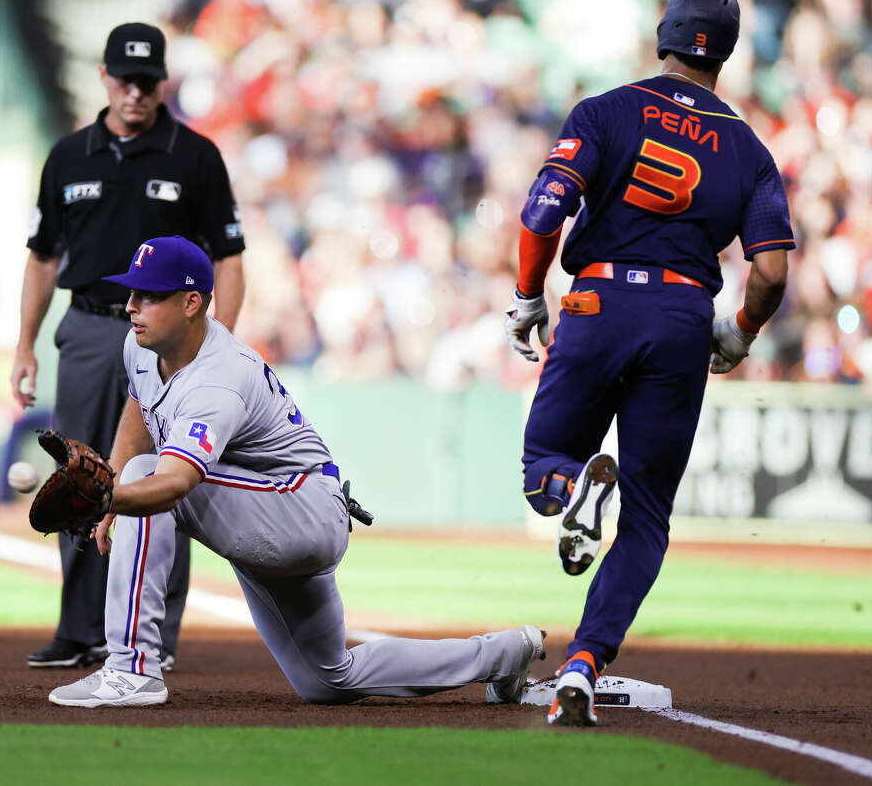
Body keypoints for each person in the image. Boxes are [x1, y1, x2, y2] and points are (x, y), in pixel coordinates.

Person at [48, 235, 545, 707]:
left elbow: (176, 484)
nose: (131, 305)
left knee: (147, 474)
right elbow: (142, 406)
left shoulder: (217, 380)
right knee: (327, 678)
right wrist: (113, 484)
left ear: (191, 303)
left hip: (300, 510)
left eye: (149, 295)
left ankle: (131, 669)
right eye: (132, 292)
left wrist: (110, 494)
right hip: (268, 506)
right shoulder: (141, 346)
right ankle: (503, 655)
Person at [503, 0, 793, 727]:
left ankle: (573, 489)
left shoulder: (605, 111)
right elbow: (770, 272)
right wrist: (740, 331)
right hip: (683, 319)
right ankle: (583, 664)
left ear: (664, 33)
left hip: (598, 304)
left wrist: (529, 294)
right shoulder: (750, 149)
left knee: (542, 467)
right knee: (647, 517)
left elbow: (542, 209)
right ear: (725, 51)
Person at [11, 22, 246, 670]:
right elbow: (42, 258)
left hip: (169, 337)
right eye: (125, 79)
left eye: (146, 81)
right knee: (79, 475)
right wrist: (25, 344)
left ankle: (152, 638)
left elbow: (229, 257)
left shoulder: (195, 155)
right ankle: (80, 628)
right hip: (89, 328)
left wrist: (217, 339)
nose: (135, 92)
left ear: (161, 83)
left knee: (162, 478)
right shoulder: (68, 156)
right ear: (104, 78)